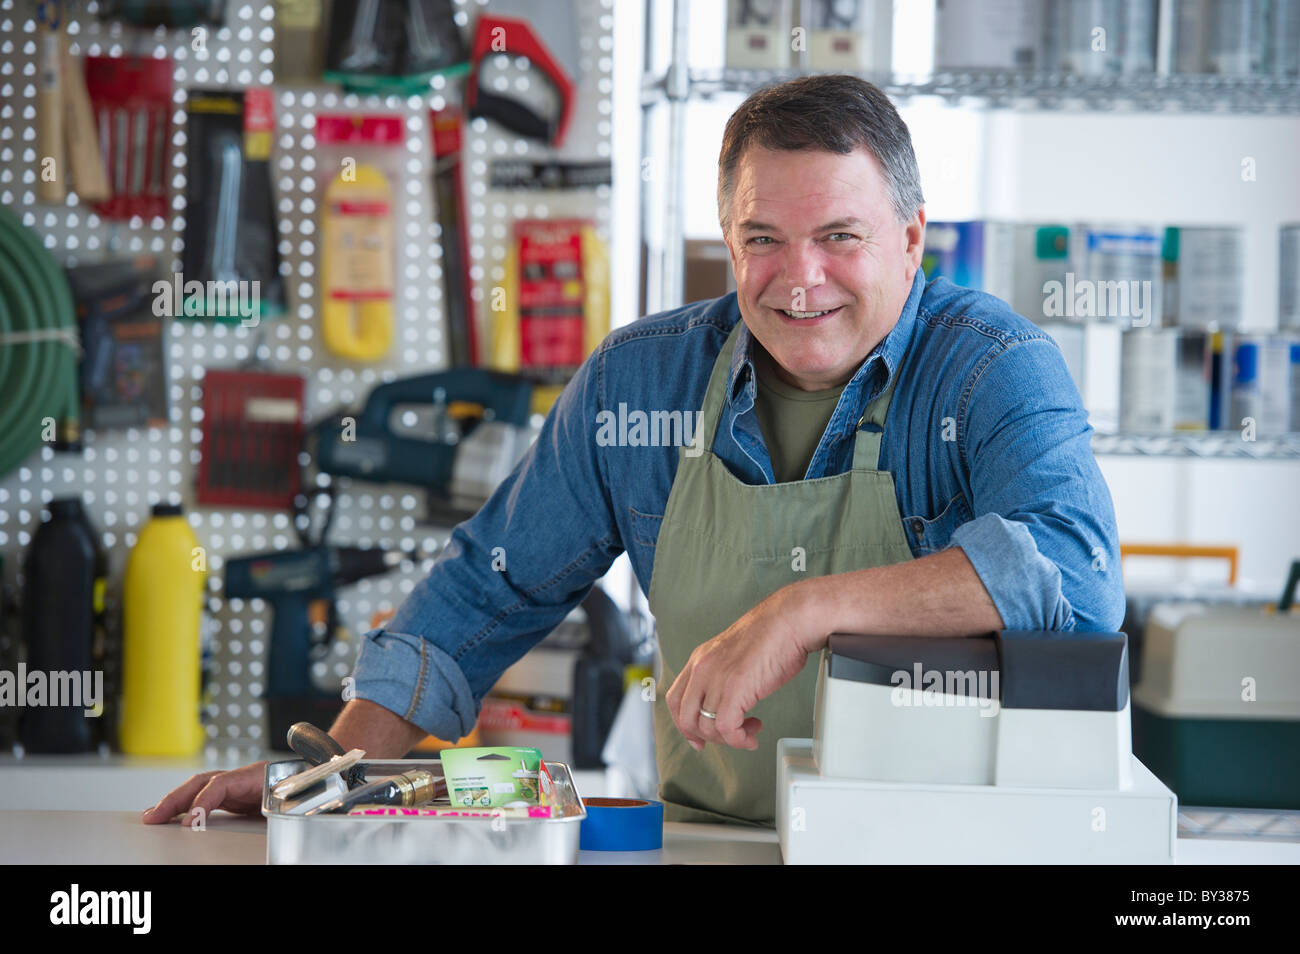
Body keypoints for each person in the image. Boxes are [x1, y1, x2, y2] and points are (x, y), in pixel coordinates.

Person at [145, 74, 1124, 830]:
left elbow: (1075, 580)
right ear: (730, 246)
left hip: (933, 849)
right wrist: (332, 785)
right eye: (763, 240)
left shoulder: (992, 366)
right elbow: (487, 590)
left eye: (839, 236)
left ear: (911, 240)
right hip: (713, 839)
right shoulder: (641, 383)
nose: (799, 278)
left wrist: (804, 610)